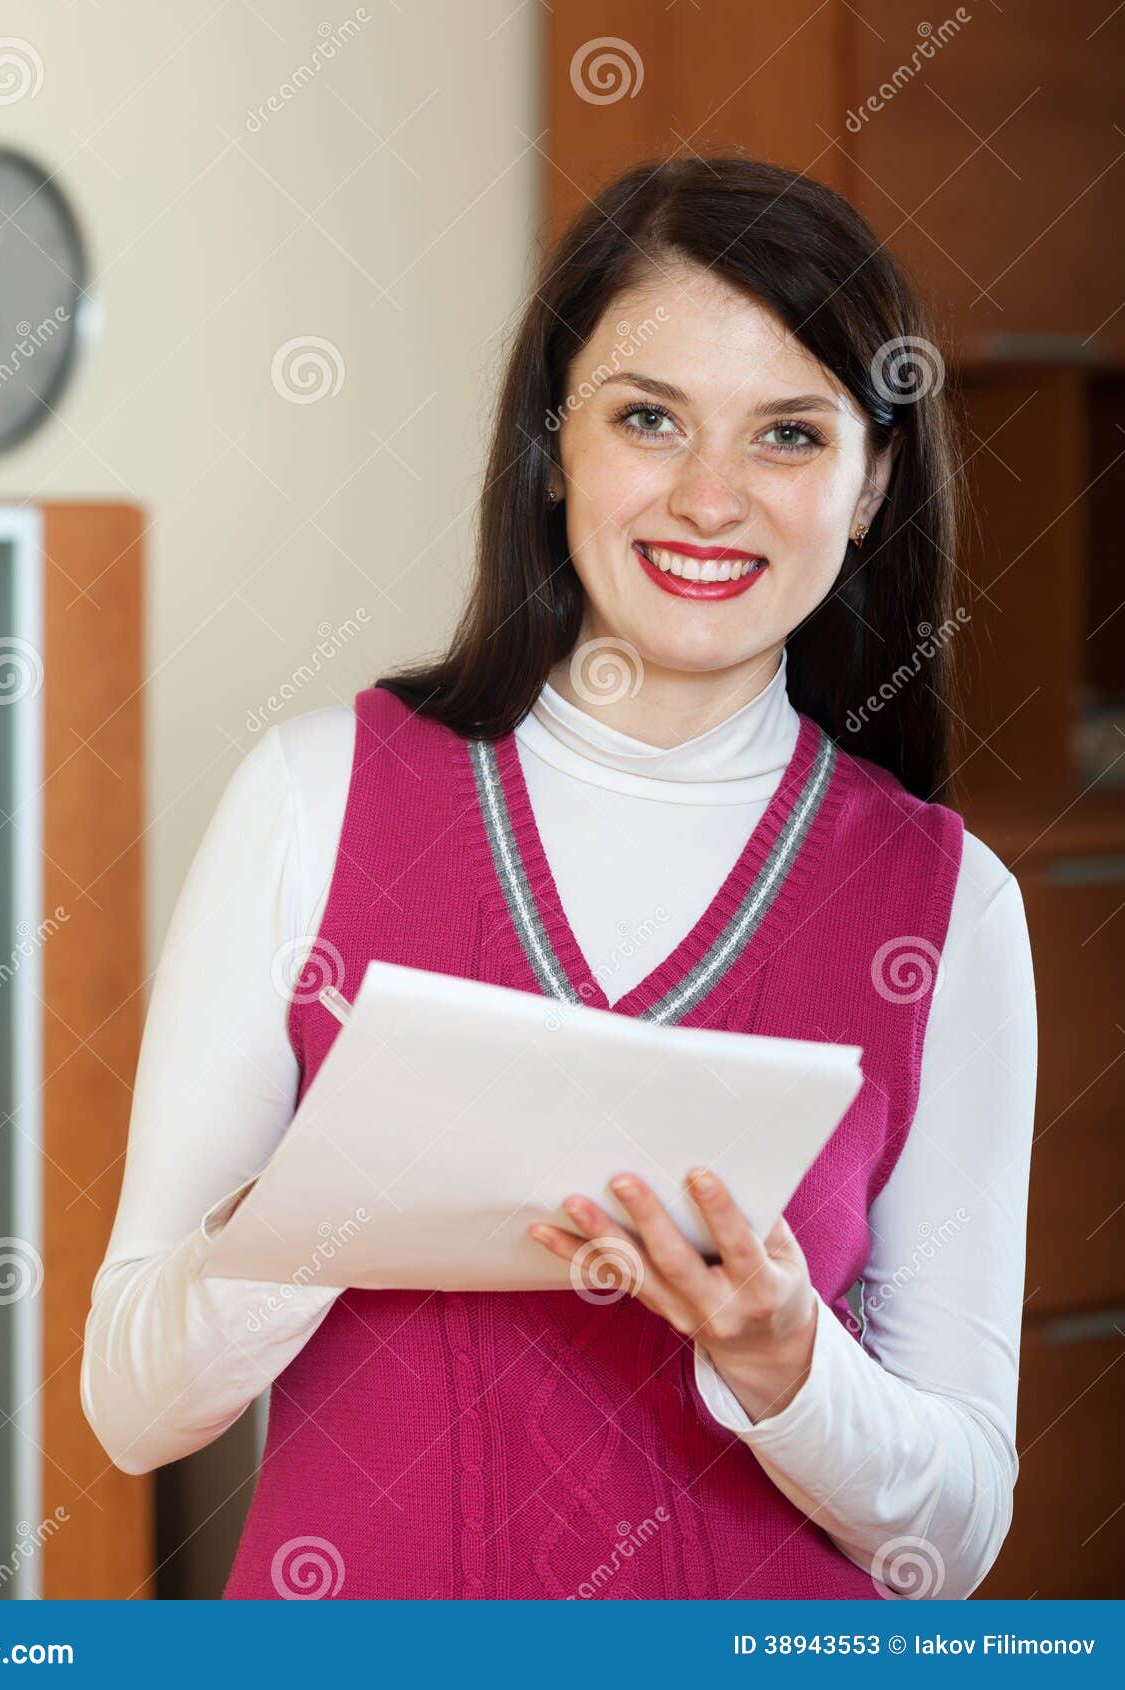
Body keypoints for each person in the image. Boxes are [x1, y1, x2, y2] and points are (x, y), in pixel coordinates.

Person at [82, 153, 1036, 1602]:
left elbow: (951, 1542)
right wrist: (308, 1214)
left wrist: (790, 1366)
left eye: (787, 434)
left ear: (870, 483)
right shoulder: (315, 796)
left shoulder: (947, 909)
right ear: (554, 447)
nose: (710, 497)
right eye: (649, 419)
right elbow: (132, 1404)